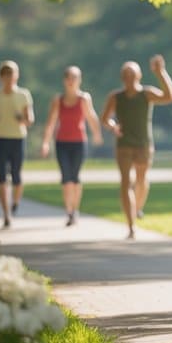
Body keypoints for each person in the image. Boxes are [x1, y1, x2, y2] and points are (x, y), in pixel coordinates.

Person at [100, 56, 172, 239]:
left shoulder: (146, 94)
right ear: (122, 77)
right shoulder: (115, 97)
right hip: (124, 145)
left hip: (144, 144)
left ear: (139, 75)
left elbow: (169, 96)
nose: (129, 77)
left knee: (141, 179)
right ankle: (131, 225)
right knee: (126, 182)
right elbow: (104, 118)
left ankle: (137, 208)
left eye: (132, 74)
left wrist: (160, 72)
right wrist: (112, 126)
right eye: (126, 74)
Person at [40, 66, 103, 227]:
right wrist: (45, 142)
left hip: (79, 142)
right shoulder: (58, 100)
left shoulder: (84, 99)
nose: (71, 81)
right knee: (66, 177)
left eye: (74, 78)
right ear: (64, 80)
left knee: (75, 177)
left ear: (79, 80)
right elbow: (51, 122)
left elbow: (91, 116)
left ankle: (75, 209)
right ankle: (69, 211)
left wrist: (97, 134)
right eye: (68, 78)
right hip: (61, 143)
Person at [0, 60, 34, 228]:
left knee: (17, 177)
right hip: (0, 139)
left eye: (12, 75)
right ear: (1, 77)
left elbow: (30, 120)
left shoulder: (23, 95)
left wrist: (21, 119)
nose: (9, 78)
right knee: (2, 178)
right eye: (6, 75)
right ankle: (6, 214)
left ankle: (16, 202)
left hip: (17, 139)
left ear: (16, 76)